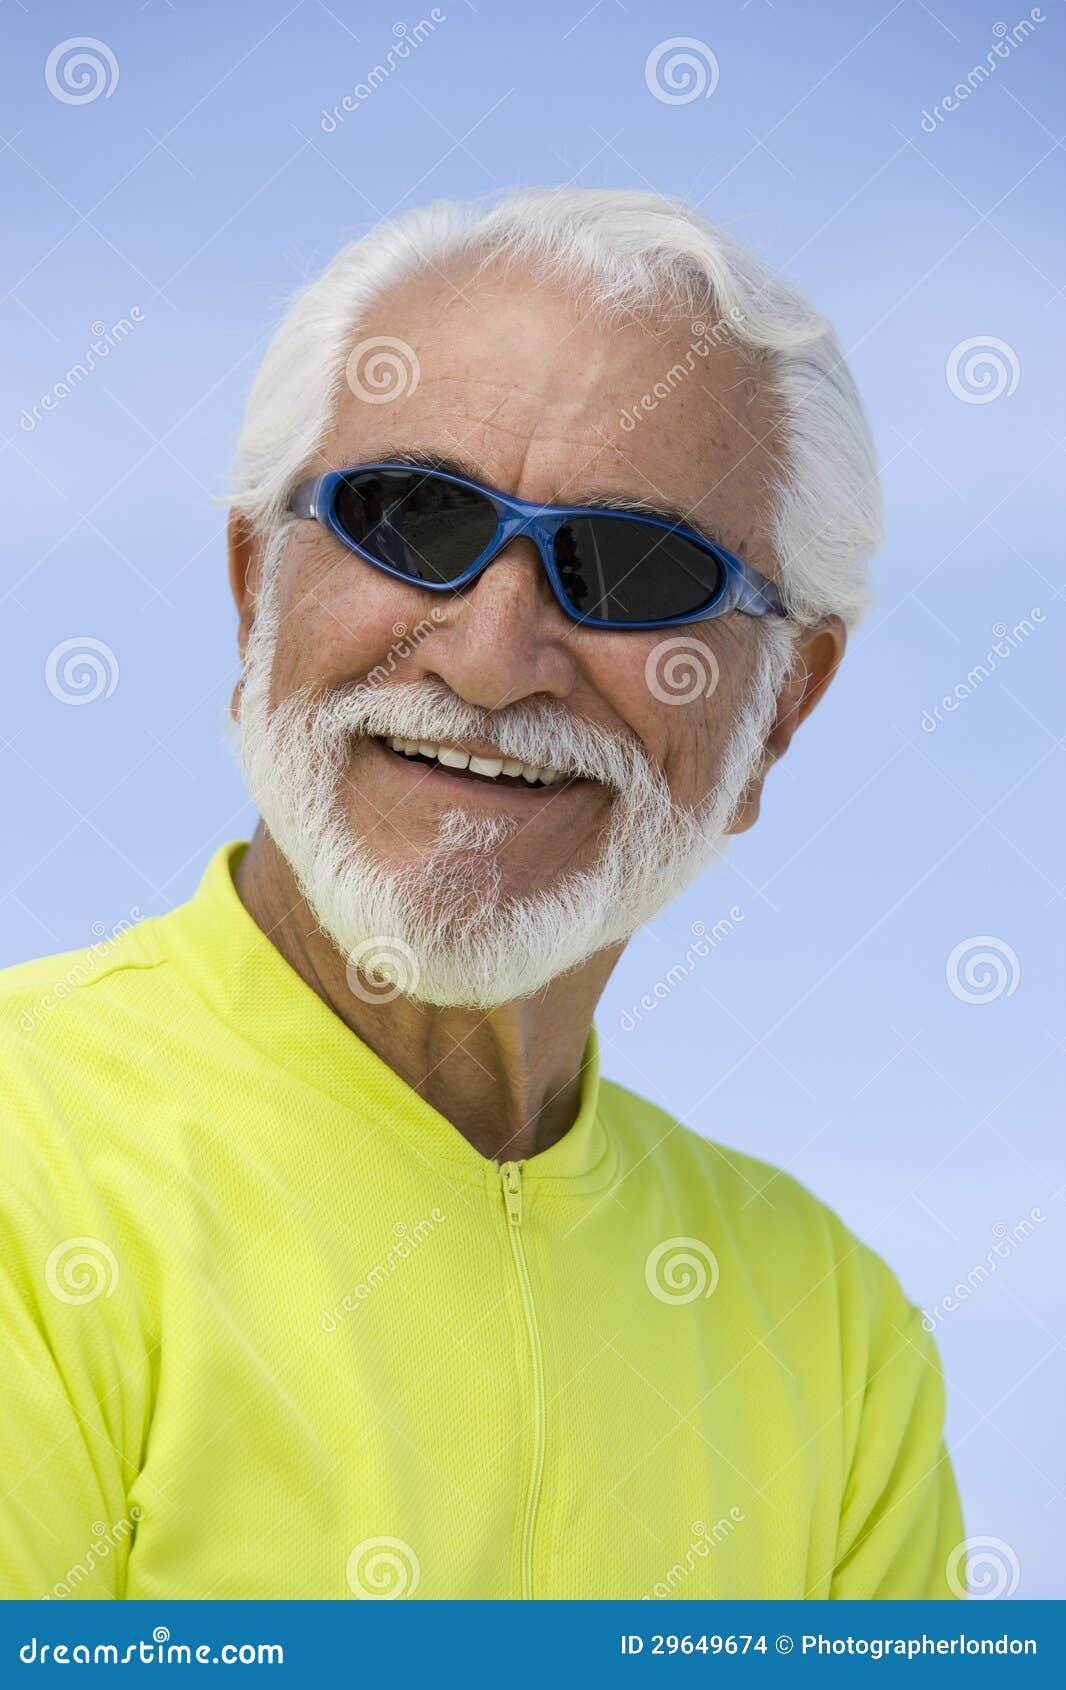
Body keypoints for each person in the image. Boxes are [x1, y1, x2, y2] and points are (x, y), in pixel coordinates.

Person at [0, 188, 963, 1600]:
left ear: (777, 711)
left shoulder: (828, 1325)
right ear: (254, 583)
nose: (493, 654)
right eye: (411, 517)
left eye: (634, 566)